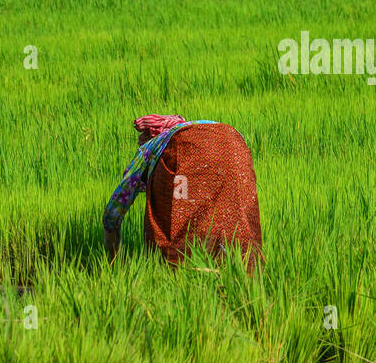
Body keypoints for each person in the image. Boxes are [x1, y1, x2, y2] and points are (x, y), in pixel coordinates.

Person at [102, 114, 262, 269]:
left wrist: (114, 259)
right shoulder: (206, 127)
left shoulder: (153, 145)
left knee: (176, 215)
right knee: (232, 214)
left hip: (182, 153)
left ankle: (177, 270)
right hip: (235, 146)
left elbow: (118, 203)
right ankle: (240, 270)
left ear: (151, 135)